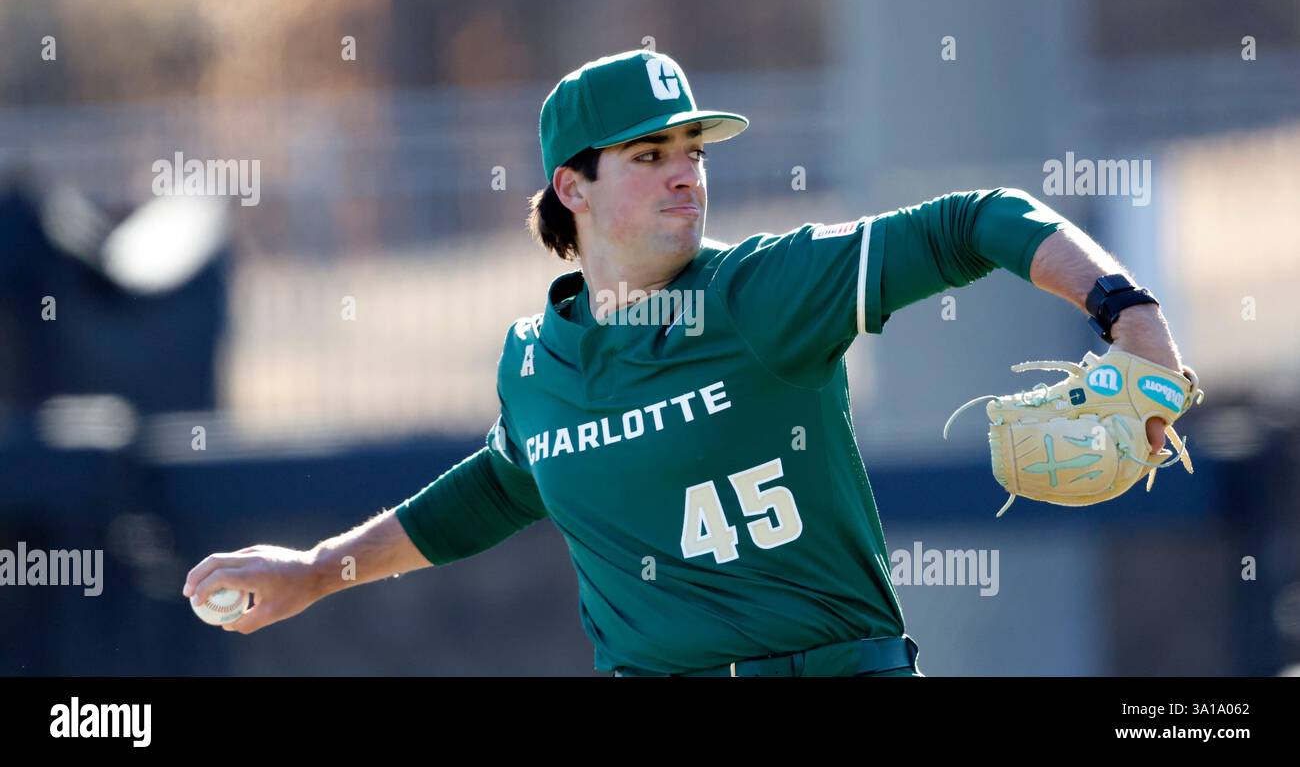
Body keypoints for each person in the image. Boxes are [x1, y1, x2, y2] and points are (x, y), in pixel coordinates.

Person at [184, 49, 1188, 676]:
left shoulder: (762, 293)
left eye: (693, 151)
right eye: (650, 154)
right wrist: (318, 570)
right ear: (570, 188)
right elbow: (495, 486)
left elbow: (977, 220)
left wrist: (1123, 307)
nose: (686, 174)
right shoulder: (536, 362)